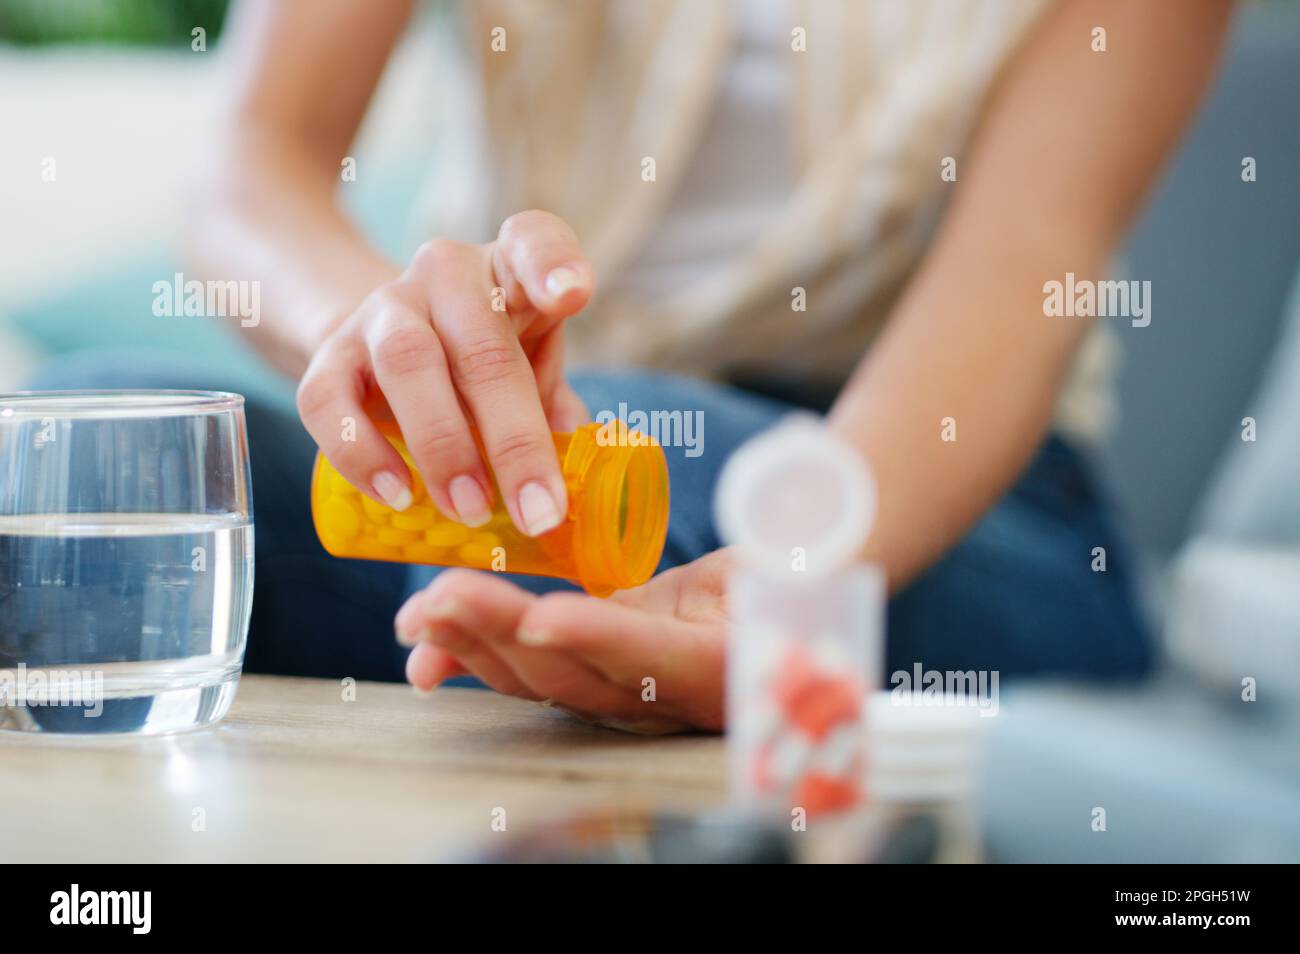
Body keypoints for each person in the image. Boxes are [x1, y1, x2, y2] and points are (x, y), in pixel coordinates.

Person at [33, 0, 1233, 731]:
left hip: (934, 502)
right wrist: (407, 356)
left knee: (569, 565)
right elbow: (252, 160)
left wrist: (792, 576)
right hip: (531, 450)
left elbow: (1023, 273)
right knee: (69, 449)